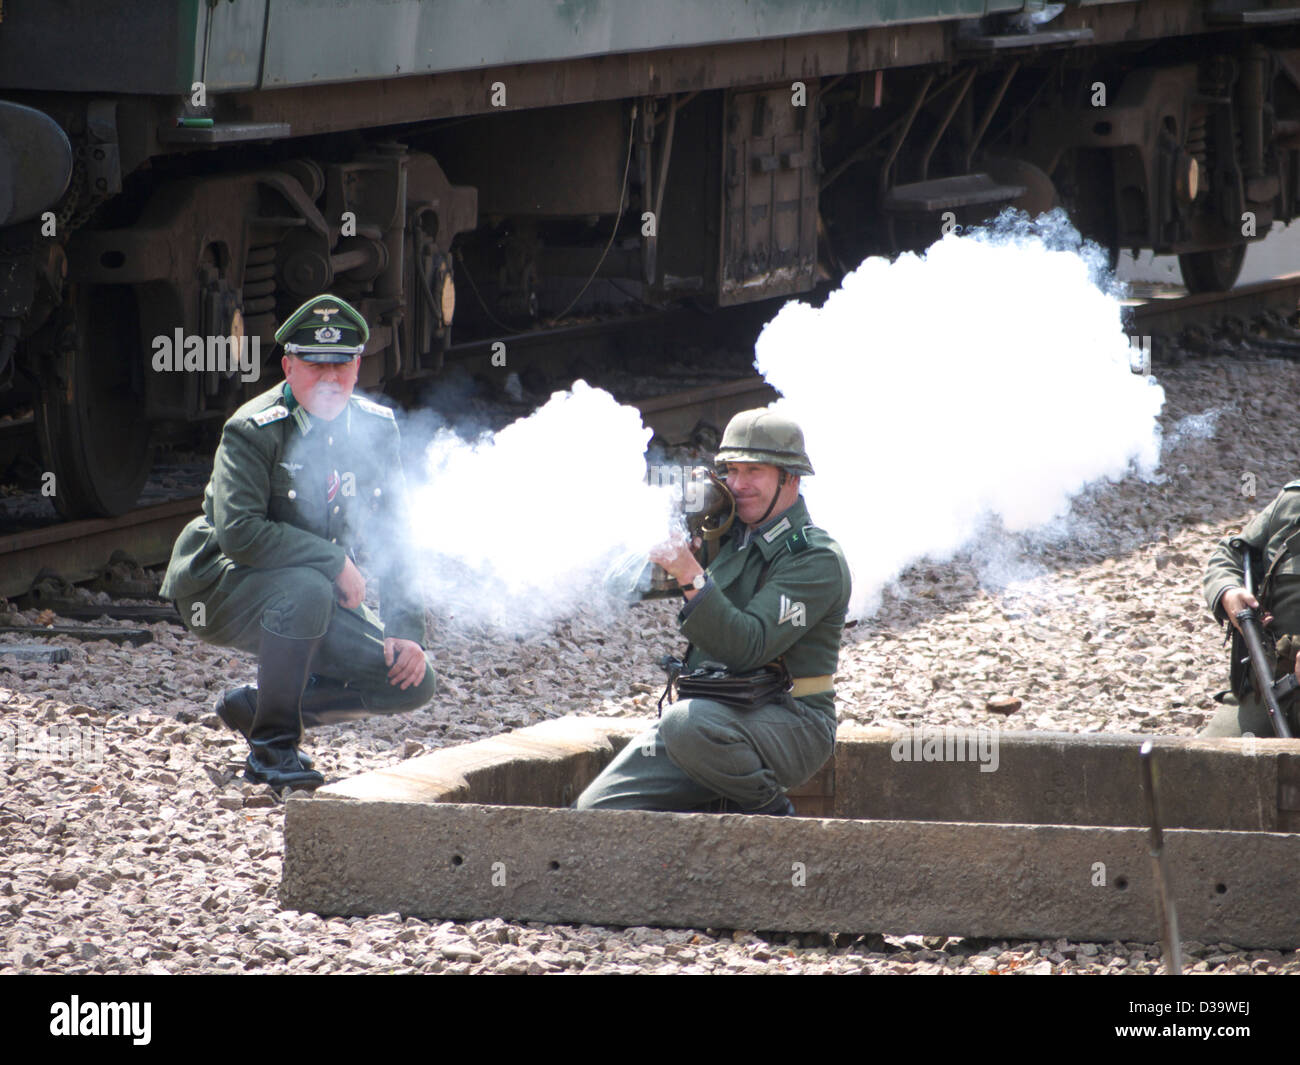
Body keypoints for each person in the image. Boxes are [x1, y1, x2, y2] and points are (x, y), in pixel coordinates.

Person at [160, 294, 435, 789]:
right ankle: (272, 750)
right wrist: (334, 562)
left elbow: (398, 532)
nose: (329, 378)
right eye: (314, 365)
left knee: (412, 682)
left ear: (357, 364)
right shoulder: (252, 429)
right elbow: (239, 534)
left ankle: (260, 703)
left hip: (307, 595)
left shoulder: (375, 428)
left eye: (342, 364)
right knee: (307, 587)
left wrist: (406, 629)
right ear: (288, 366)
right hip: (222, 585)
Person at [575, 409, 851, 814]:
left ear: (790, 477)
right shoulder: (727, 534)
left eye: (753, 471)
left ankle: (769, 813)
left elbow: (747, 646)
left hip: (791, 720)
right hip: (712, 717)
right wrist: (654, 534)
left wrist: (690, 572)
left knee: (684, 722)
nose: (738, 485)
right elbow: (620, 586)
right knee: (595, 812)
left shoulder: (814, 559)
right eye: (731, 470)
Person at [1202, 479, 1300, 737]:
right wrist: (1228, 592)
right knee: (1196, 768)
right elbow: (1231, 553)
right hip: (1269, 689)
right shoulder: (1292, 504)